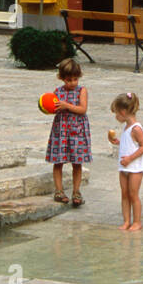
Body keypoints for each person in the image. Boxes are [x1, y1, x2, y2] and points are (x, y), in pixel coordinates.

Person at [46, 58, 91, 207]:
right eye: (68, 80)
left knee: (77, 162)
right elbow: (52, 109)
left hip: (76, 131)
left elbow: (82, 109)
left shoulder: (81, 91)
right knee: (58, 161)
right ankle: (59, 191)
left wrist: (66, 105)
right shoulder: (57, 92)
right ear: (61, 78)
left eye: (75, 79)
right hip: (61, 130)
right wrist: (48, 106)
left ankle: (76, 192)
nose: (72, 83)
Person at [109, 92, 143, 231]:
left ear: (123, 112)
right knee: (124, 194)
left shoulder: (136, 128)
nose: (116, 117)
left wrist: (130, 158)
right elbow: (130, 144)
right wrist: (118, 142)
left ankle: (137, 221)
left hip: (135, 167)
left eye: (116, 114)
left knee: (133, 194)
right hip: (124, 167)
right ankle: (126, 220)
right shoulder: (126, 127)